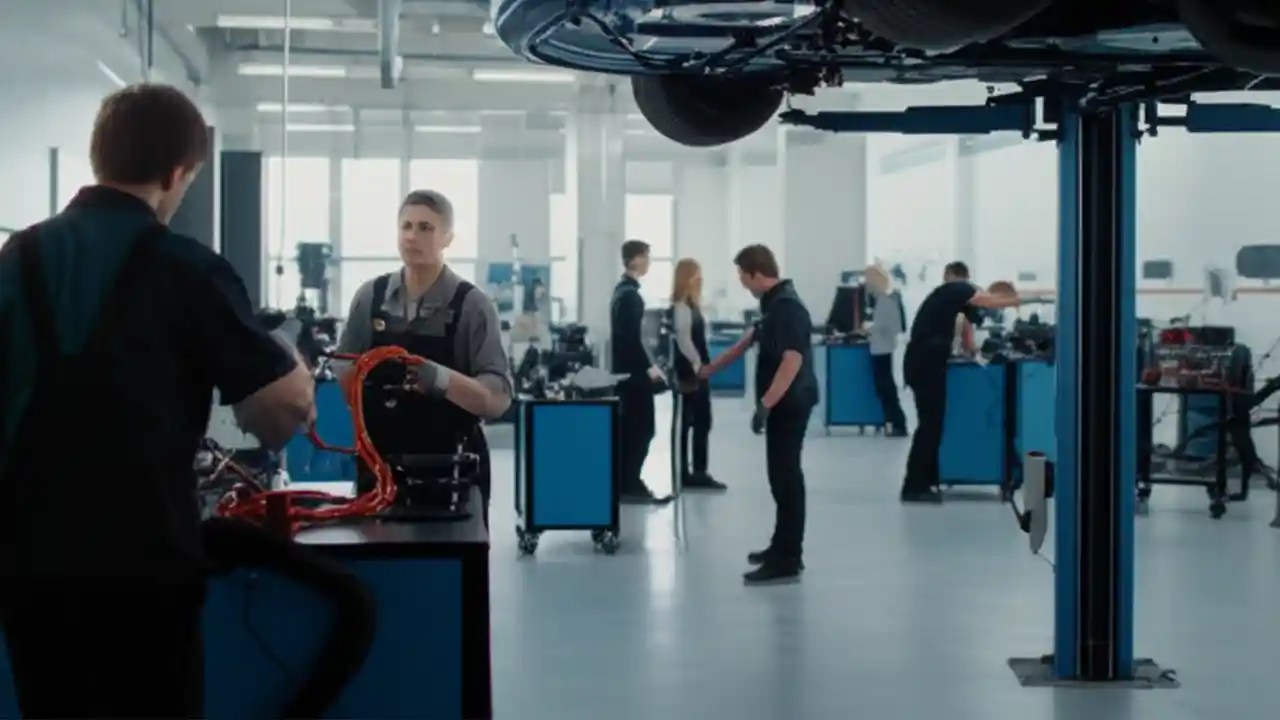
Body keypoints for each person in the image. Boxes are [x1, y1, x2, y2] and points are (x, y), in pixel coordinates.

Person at [0, 84, 316, 719]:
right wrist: (292, 359)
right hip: (143, 565)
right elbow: (279, 414)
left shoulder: (17, 257)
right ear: (177, 173)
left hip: (28, 562)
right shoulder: (186, 267)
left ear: (99, 156)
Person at [336, 190, 512, 517]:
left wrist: (441, 381)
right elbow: (343, 366)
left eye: (425, 228)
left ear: (448, 238)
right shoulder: (370, 297)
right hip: (380, 467)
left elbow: (497, 398)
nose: (411, 236)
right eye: (406, 226)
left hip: (450, 473)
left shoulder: (472, 306)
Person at [701, 245, 818, 584]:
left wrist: (766, 403)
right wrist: (706, 371)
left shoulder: (788, 308)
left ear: (755, 273)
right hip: (782, 403)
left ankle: (788, 558)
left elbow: (792, 361)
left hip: (790, 403)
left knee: (786, 478)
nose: (741, 282)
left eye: (742, 276)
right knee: (778, 478)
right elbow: (743, 344)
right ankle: (780, 546)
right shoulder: (771, 306)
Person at [900, 262, 1027, 504]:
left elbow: (971, 324)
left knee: (931, 425)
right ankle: (914, 486)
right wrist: (1025, 299)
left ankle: (926, 479)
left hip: (924, 363)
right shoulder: (960, 289)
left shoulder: (953, 298)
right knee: (930, 426)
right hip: (926, 364)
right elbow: (988, 304)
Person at [610, 239, 673, 504]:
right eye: (645, 257)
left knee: (633, 429)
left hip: (627, 374)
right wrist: (649, 369)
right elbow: (631, 338)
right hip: (633, 376)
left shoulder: (622, 292)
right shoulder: (630, 297)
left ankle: (627, 482)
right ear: (634, 259)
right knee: (642, 429)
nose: (648, 262)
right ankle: (630, 484)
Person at [670, 258, 726, 491]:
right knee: (694, 421)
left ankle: (691, 471)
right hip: (690, 373)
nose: (700, 278)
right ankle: (691, 473)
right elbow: (684, 340)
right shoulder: (681, 307)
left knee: (699, 420)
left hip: (696, 371)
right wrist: (697, 365)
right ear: (686, 278)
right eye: (696, 274)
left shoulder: (691, 305)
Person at [861, 264, 908, 436]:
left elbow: (888, 326)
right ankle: (893, 422)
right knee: (885, 387)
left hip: (882, 348)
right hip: (881, 347)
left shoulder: (885, 301)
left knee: (886, 388)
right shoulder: (883, 300)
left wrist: (867, 330)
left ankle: (897, 423)